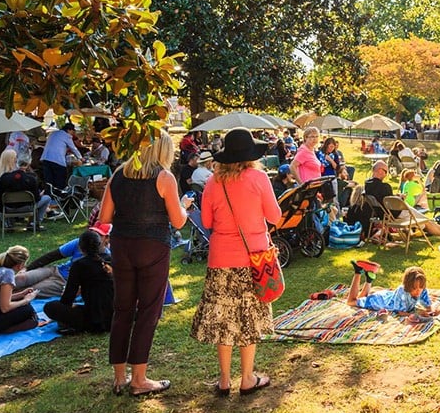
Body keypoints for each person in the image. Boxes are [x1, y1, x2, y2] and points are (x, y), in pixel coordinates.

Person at [190, 128, 282, 397]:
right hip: (253, 258)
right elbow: (275, 216)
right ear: (251, 155)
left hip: (220, 259)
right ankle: (247, 378)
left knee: (223, 320)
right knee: (249, 319)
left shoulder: (212, 182)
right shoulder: (259, 178)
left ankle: (224, 379)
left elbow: (206, 222)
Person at [99, 135, 189, 397]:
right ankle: (139, 378)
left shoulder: (119, 174)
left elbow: (104, 218)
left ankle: (119, 377)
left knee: (122, 309)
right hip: (153, 245)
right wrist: (183, 207)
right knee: (149, 310)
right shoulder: (164, 177)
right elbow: (179, 222)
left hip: (122, 245)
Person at [43, 229, 115, 334]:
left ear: (81, 248)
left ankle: (74, 325)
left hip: (94, 318)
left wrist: (68, 306)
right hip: (114, 314)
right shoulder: (111, 259)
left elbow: (68, 297)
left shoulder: (79, 265)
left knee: (50, 307)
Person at [345, 262, 437, 316]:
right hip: (380, 301)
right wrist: (418, 314)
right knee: (351, 302)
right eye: (414, 288)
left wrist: (432, 311)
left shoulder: (422, 288)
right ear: (408, 286)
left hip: (389, 296)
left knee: (362, 298)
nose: (418, 291)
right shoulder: (402, 290)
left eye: (420, 288)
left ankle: (369, 279)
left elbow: (429, 306)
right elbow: (401, 312)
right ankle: (358, 272)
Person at [0, 149, 54, 230]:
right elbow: (36, 199)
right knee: (47, 198)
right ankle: (34, 223)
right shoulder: (30, 179)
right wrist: (39, 196)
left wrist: (2, 210)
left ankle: (8, 223)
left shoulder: (3, 178)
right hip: (27, 207)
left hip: (8, 208)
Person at [40, 122, 83, 190]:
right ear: (69, 130)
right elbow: (73, 148)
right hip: (57, 160)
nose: (73, 133)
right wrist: (80, 158)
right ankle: (58, 196)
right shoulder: (66, 136)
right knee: (59, 181)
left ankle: (49, 196)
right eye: (73, 131)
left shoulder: (53, 133)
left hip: (45, 159)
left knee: (48, 181)